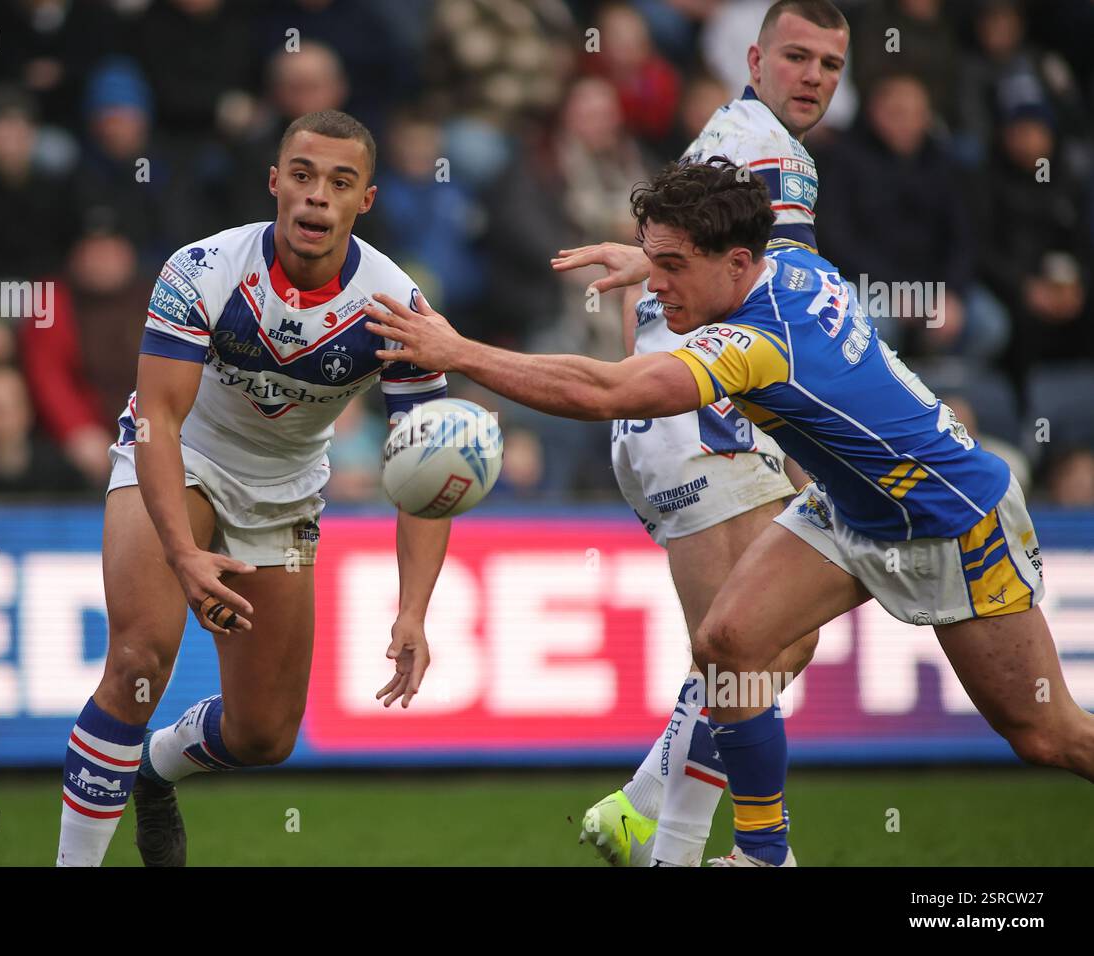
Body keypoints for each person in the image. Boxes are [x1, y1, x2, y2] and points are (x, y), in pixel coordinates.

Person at [365, 159, 1094, 868]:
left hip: (949, 516)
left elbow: (606, 393)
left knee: (1046, 736)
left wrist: (458, 350)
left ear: (735, 263)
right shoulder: (787, 262)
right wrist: (648, 256)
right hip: (851, 500)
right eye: (655, 261)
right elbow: (712, 271)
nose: (655, 285)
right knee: (728, 645)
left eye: (672, 266)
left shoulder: (753, 344)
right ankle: (764, 854)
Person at [56, 110, 452, 867]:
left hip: (284, 492)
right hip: (181, 458)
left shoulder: (398, 309)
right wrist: (183, 554)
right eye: (301, 175)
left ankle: (154, 769)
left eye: (340, 183)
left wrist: (412, 610)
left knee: (264, 736)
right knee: (139, 663)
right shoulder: (200, 271)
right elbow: (160, 425)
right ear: (275, 181)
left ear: (364, 200)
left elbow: (424, 473)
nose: (315, 198)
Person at [546, 0, 848, 866]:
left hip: (679, 419)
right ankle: (716, 846)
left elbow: (719, 263)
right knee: (749, 650)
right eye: (797, 57)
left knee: (765, 646)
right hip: (703, 418)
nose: (813, 79)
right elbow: (779, 306)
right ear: (754, 58)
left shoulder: (732, 136)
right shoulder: (769, 151)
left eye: (829, 65)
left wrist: (646, 259)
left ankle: (650, 812)